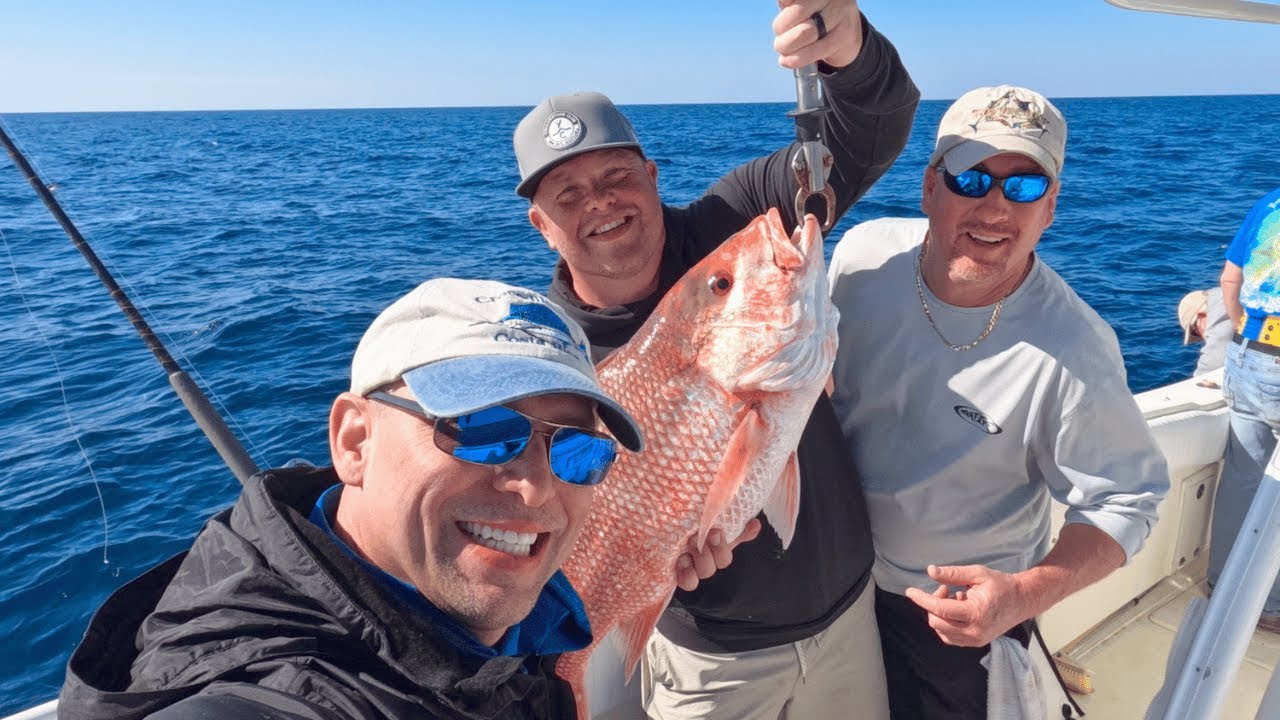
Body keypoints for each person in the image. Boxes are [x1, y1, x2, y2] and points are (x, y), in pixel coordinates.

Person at [513, 2, 918, 717]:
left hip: (850, 615)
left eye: (615, 174)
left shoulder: (735, 224)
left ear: (651, 173)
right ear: (541, 226)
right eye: (567, 193)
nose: (600, 202)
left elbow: (865, 135)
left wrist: (847, 52)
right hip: (708, 659)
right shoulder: (549, 358)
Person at [57, 278, 645, 720]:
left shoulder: (521, 626)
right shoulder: (279, 695)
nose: (536, 484)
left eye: (578, 450)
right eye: (479, 429)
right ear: (354, 440)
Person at [827, 84, 1169, 718]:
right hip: (831, 586)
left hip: (953, 617)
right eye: (971, 178)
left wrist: (1020, 596)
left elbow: (1128, 498)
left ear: (1051, 209)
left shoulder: (1077, 350)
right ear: (930, 186)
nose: (994, 208)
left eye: (1024, 187)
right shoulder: (859, 255)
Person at [1211, 186, 1280, 633]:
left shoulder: (1270, 204)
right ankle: (1269, 608)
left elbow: (1228, 280)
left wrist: (1241, 329)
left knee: (1242, 479)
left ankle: (1221, 585)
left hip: (1249, 355)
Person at [1177, 287, 1232, 375]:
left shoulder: (1220, 320)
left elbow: (1209, 369)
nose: (1201, 338)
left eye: (1195, 332)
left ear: (1201, 315)